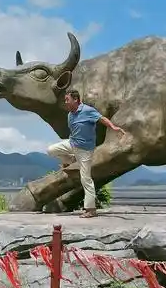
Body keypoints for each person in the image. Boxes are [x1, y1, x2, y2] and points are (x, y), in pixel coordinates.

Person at [46, 89, 126, 218]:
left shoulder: (88, 111)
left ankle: (91, 209)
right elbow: (74, 132)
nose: (66, 102)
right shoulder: (70, 115)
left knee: (86, 179)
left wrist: (113, 127)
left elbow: (102, 119)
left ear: (76, 99)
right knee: (51, 150)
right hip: (72, 144)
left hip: (85, 151)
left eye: (67, 99)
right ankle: (70, 161)